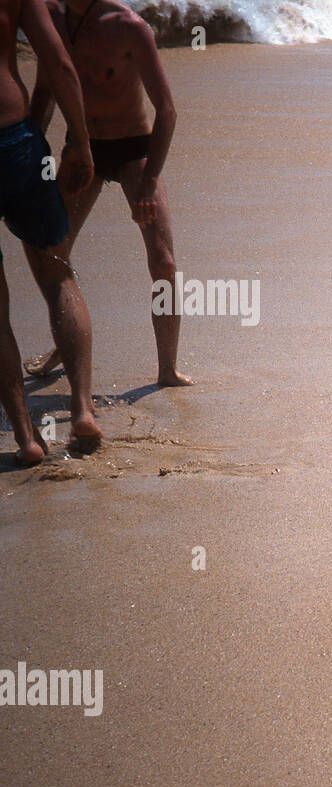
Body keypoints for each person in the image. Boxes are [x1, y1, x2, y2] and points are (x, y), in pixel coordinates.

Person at [25, 0, 192, 388]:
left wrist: (150, 181)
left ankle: (167, 368)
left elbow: (166, 110)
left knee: (164, 262)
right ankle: (67, 341)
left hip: (135, 151)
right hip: (82, 148)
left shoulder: (129, 26)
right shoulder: (51, 20)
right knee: (51, 255)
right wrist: (27, 161)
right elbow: (45, 96)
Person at [0, 0, 100, 464]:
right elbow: (57, 61)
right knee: (58, 274)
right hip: (18, 141)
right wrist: (79, 140)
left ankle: (25, 438)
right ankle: (82, 408)